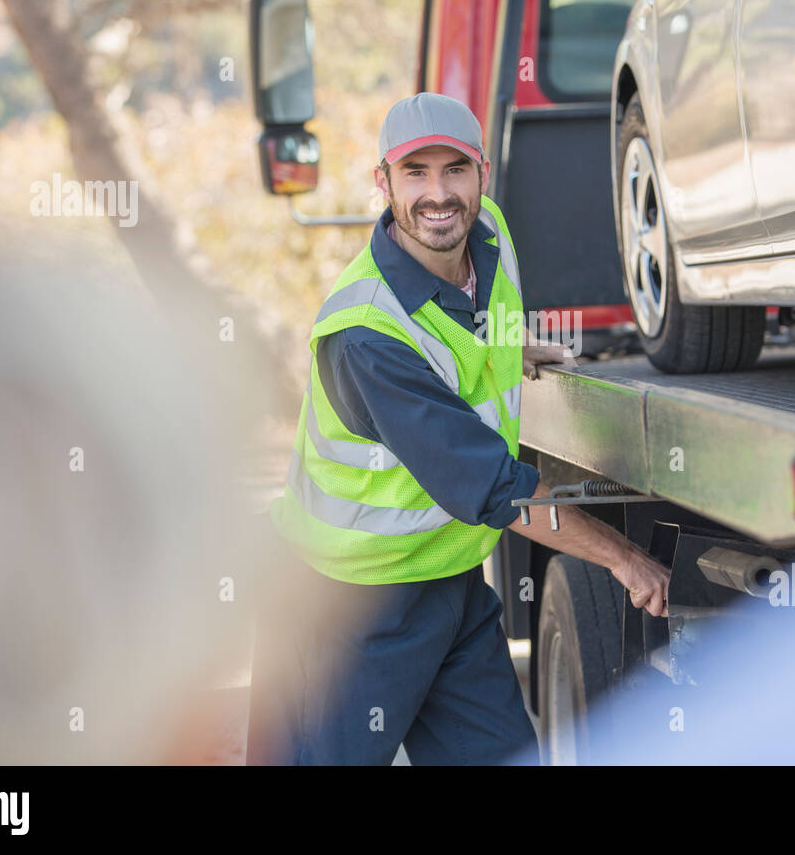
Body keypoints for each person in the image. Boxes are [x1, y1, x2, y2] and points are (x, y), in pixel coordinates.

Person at [245, 92, 670, 765]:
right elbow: (495, 489)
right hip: (345, 609)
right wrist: (623, 557)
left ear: (482, 174)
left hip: (450, 582)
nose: (438, 194)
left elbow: (460, 336)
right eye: (415, 173)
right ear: (383, 182)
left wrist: (510, 346)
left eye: (455, 169)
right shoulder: (367, 333)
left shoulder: (488, 235)